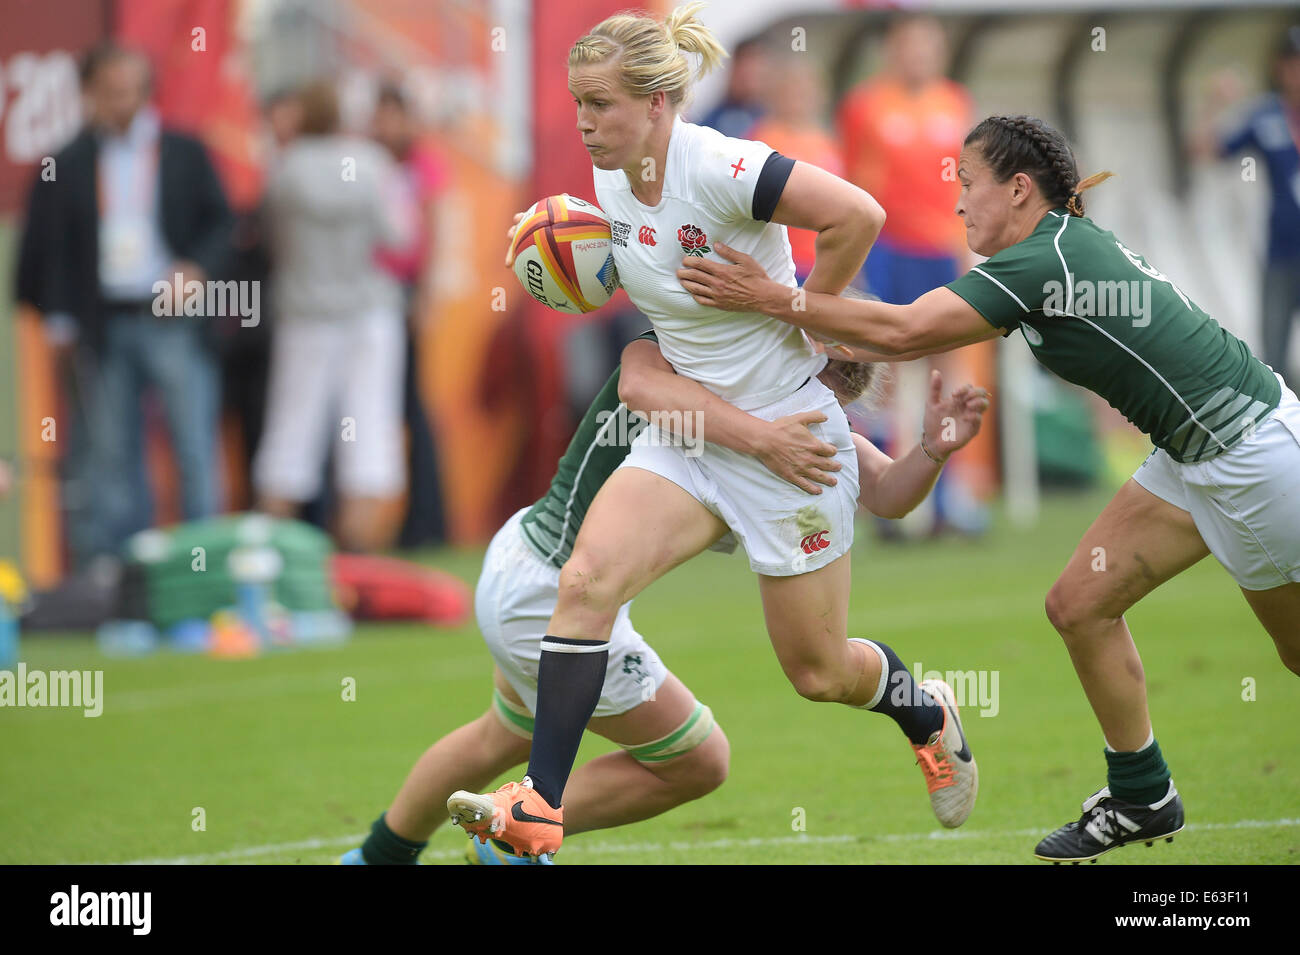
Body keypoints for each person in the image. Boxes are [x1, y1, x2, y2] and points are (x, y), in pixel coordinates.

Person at [678, 113, 1300, 864]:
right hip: (1191, 456)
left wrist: (770, 297)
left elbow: (905, 331)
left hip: (1250, 455)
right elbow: (886, 333)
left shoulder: (1048, 257)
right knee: (1078, 605)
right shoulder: (1046, 255)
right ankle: (1143, 795)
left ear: (1019, 188)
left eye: (967, 184)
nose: (958, 202)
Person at [446, 3, 985, 861]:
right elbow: (649, 323)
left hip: (788, 440)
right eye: (578, 102)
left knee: (818, 673)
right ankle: (541, 807)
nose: (586, 122)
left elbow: (859, 214)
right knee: (585, 582)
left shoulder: (726, 165)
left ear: (658, 103)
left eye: (603, 104)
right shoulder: (613, 181)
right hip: (696, 435)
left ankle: (922, 707)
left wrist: (801, 311)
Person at [344, 308, 989, 864]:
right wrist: (762, 436)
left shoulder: (791, 421)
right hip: (552, 599)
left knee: (501, 734)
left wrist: (930, 452)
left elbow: (881, 490)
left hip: (521, 566)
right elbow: (638, 381)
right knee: (698, 760)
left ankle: (377, 853)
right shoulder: (701, 363)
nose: (814, 411)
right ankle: (515, 828)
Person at [18, 43, 233, 563]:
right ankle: (125, 573)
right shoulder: (66, 162)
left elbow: (223, 225)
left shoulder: (183, 150)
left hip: (174, 317)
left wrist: (196, 269)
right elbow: (47, 249)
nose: (122, 104)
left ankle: (204, 564)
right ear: (89, 94)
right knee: (113, 453)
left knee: (193, 445)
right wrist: (59, 316)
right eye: (110, 93)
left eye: (131, 92)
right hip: (106, 322)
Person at [837, 13, 992, 536]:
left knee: (946, 374)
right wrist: (856, 261)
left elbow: (968, 185)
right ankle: (881, 496)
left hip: (941, 255)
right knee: (882, 374)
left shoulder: (955, 104)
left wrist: (971, 245)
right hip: (889, 251)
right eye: (910, 45)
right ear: (893, 49)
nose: (919, 55)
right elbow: (853, 189)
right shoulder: (866, 106)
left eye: (929, 45)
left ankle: (945, 502)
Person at [253, 81, 409, 552]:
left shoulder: (284, 170)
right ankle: (360, 565)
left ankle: (272, 564)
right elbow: (399, 236)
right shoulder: (373, 165)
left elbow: (270, 241)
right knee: (369, 434)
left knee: (288, 437)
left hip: (305, 317)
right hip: (368, 314)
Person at [1193, 26, 1300, 386]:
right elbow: (1207, 149)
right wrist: (1215, 102)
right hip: (1281, 255)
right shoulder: (1267, 116)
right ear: (1280, 69)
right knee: (1275, 356)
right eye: (1292, 65)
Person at [370, 82, 451, 548]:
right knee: (391, 407)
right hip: (372, 297)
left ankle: (426, 521)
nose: (382, 128)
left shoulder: (423, 165)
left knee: (412, 407)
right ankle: (405, 520)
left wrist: (424, 298)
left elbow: (433, 234)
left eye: (390, 117)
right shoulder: (369, 163)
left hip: (404, 294)